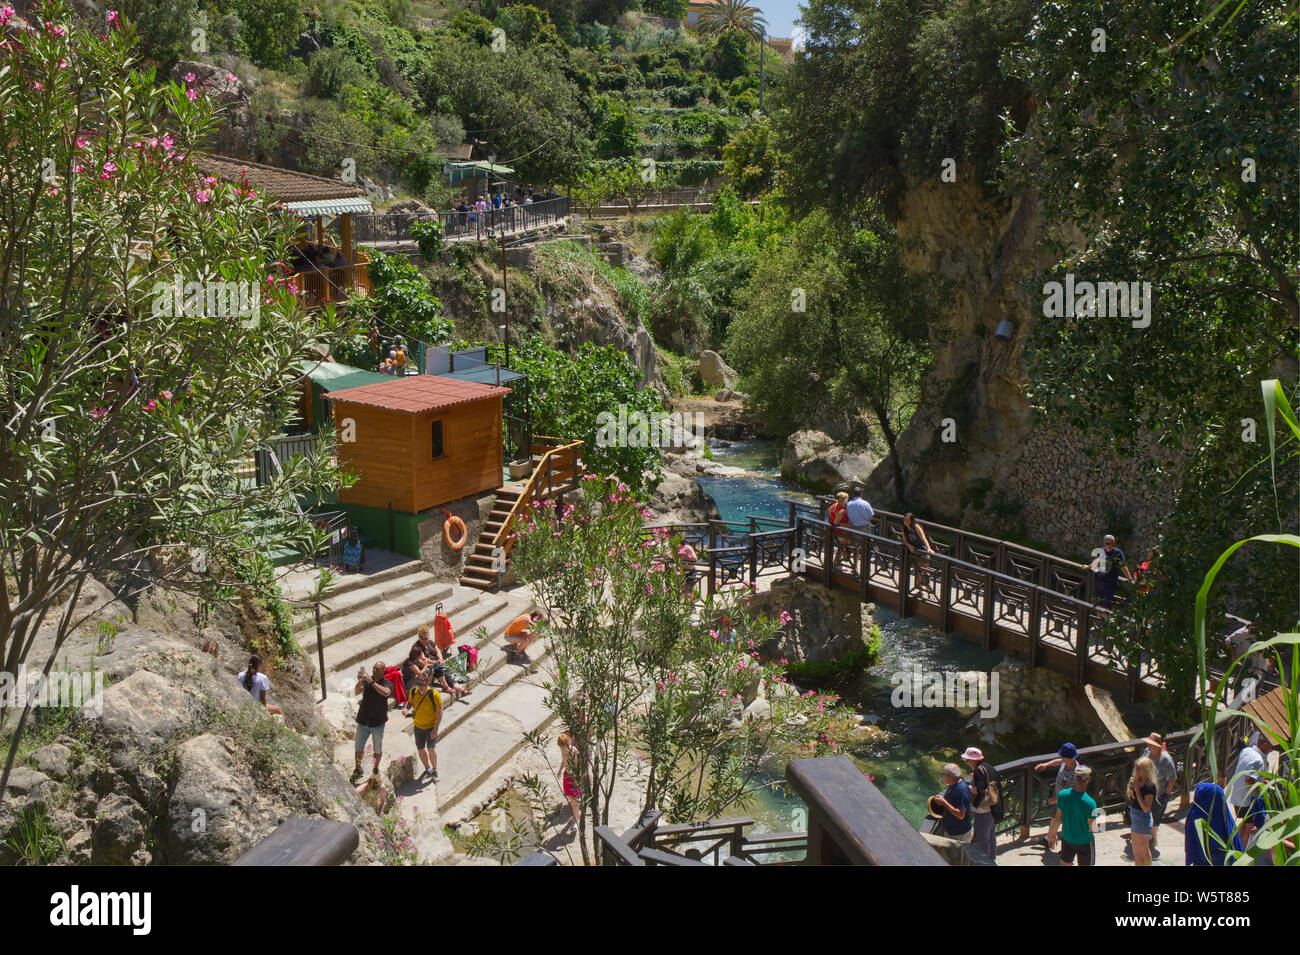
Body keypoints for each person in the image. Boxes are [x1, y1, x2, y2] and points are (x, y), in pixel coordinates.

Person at [351, 661, 392, 784]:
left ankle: (375, 769)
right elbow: (357, 691)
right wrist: (360, 681)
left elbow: (385, 693)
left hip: (377, 722)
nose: (374, 671)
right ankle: (358, 769)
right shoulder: (367, 680)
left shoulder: (387, 684)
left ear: (383, 670)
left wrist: (372, 682)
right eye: (374, 668)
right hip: (364, 720)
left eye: (378, 669)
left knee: (377, 749)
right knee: (358, 747)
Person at [1049, 764, 1098, 866]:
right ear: (1088, 779)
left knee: (1064, 863)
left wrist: (1052, 834)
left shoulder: (1062, 795)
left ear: (1075, 777)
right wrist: (1100, 822)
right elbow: (1093, 829)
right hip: (1084, 841)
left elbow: (1057, 817)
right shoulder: (1090, 803)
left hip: (1067, 838)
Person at [1185, 781, 1242, 866]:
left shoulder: (1194, 815)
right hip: (1224, 860)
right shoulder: (1224, 814)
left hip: (1201, 861)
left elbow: (1191, 843)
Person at [1036, 742, 1079, 846]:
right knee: (1056, 818)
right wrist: (1046, 765)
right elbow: (1058, 762)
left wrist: (1057, 798)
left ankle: (1067, 848)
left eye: (1063, 756)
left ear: (1069, 758)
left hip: (1067, 802)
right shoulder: (1066, 762)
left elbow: (1074, 790)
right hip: (1061, 800)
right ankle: (1049, 839)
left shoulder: (1076, 771)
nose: (1061, 758)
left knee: (1066, 824)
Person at [962, 746, 999, 862]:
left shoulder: (978, 770)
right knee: (991, 836)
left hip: (983, 811)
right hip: (993, 809)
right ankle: (992, 860)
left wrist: (969, 787)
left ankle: (985, 863)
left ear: (973, 760)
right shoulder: (987, 766)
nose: (967, 762)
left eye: (967, 760)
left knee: (983, 839)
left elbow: (979, 791)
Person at [1227, 732, 1273, 821]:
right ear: (1265, 744)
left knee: (1245, 825)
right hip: (1247, 800)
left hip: (1237, 796)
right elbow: (1248, 780)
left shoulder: (1247, 750)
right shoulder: (1258, 760)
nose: (1273, 748)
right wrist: (1263, 795)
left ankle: (1237, 835)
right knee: (1249, 827)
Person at [1144, 733, 1177, 856]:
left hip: (1159, 794)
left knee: (1156, 817)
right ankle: (1145, 836)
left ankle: (1153, 838)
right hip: (1145, 791)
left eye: (1151, 743)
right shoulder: (1146, 752)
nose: (1148, 745)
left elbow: (1172, 778)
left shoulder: (1166, 760)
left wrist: (1165, 795)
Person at [1081, 533, 1132, 611]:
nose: (1110, 545)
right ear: (1104, 543)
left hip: (1110, 584)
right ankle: (1098, 622)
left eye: (1112, 543)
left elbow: (1123, 566)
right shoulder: (1102, 551)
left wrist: (1130, 578)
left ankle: (1103, 622)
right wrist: (1089, 566)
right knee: (1097, 606)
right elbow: (1097, 561)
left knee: (1105, 607)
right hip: (1099, 582)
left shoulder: (1118, 553)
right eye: (1108, 543)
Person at [408, 668, 442, 782]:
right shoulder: (413, 692)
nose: (421, 686)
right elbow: (410, 703)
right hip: (418, 726)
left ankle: (434, 769)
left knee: (431, 749)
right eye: (419, 684)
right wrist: (405, 709)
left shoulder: (434, 693)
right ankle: (427, 769)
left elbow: (440, 711)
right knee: (421, 749)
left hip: (431, 726)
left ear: (427, 683)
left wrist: (436, 728)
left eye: (423, 684)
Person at [930, 763, 973, 844]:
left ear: (949, 776)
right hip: (951, 830)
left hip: (960, 834)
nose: (943, 776)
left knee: (954, 856)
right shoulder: (953, 783)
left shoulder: (961, 790)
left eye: (943, 774)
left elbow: (960, 815)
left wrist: (944, 802)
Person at [1127, 755, 1159, 865]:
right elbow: (1133, 801)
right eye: (1136, 768)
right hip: (1137, 818)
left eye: (1139, 768)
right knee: (1144, 851)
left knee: (1139, 854)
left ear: (1146, 770)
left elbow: (1146, 808)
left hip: (1142, 819)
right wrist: (1132, 788)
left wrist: (1137, 790)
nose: (1136, 771)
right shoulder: (1139, 782)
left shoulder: (1149, 786)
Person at [557, 732, 583, 834]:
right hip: (567, 775)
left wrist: (577, 780)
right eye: (561, 748)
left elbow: (578, 765)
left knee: (574, 801)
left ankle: (576, 821)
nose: (563, 750)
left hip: (574, 776)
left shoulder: (574, 751)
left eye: (564, 747)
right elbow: (564, 761)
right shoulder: (563, 751)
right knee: (571, 798)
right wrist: (559, 771)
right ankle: (576, 815)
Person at [901, 512, 935, 585]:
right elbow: (905, 541)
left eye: (907, 520)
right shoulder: (904, 528)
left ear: (911, 521)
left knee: (925, 571)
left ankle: (928, 590)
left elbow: (923, 538)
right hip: (914, 552)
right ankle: (920, 588)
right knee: (917, 571)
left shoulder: (916, 527)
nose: (905, 522)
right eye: (904, 520)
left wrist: (928, 548)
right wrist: (909, 546)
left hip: (922, 551)